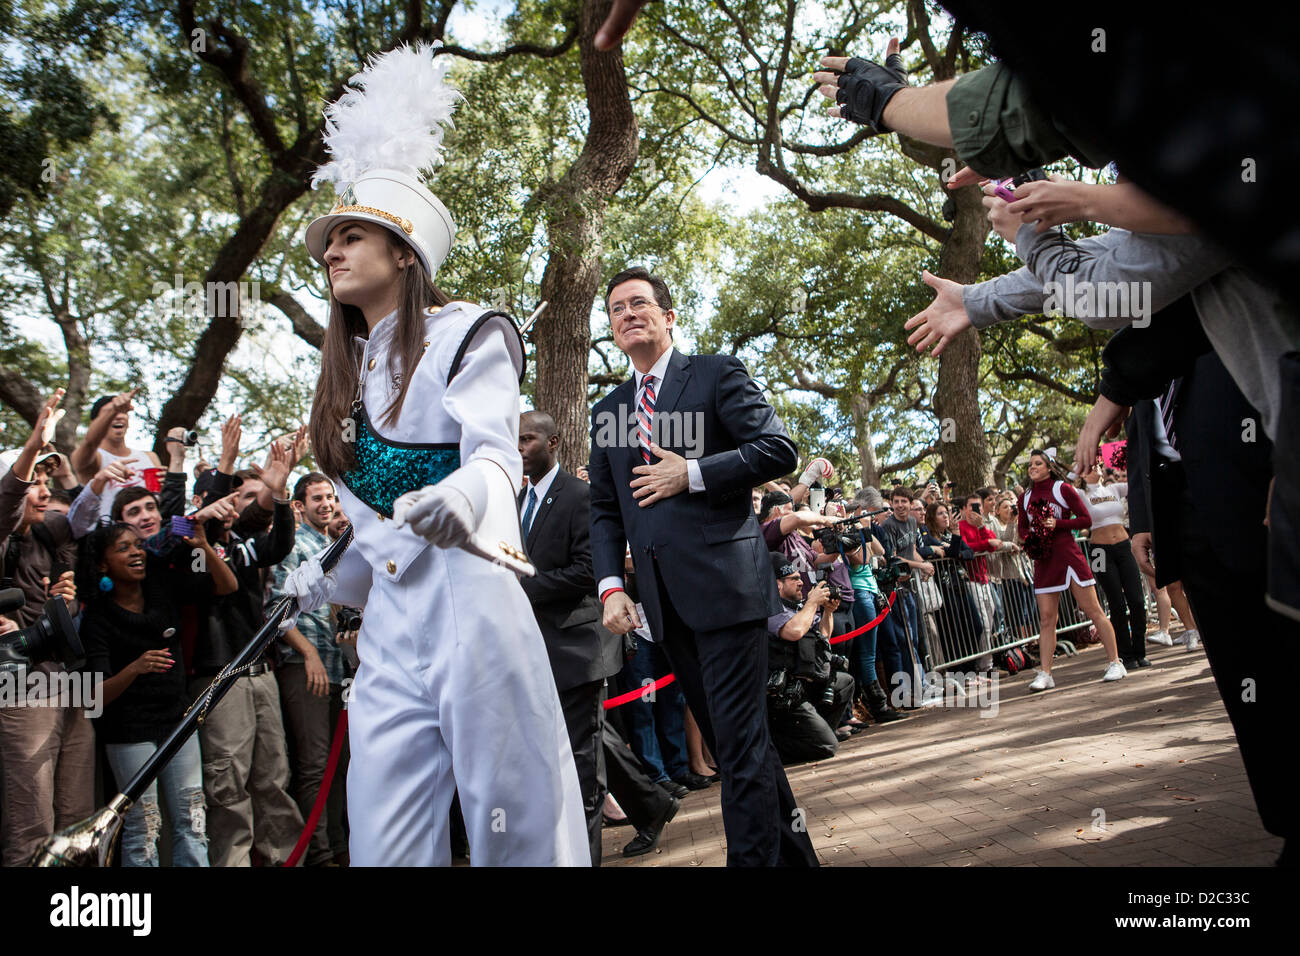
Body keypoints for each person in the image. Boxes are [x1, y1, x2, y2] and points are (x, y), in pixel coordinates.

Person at [279, 43, 586, 866]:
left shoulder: (466, 333)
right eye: (329, 243)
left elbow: (495, 459)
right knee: (384, 829)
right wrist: (322, 578)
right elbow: (365, 537)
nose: (331, 253)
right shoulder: (340, 380)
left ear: (404, 251)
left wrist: (465, 496)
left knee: (515, 816)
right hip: (385, 631)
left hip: (472, 599)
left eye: (349, 237)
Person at [588, 265, 817, 867]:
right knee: (738, 746)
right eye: (616, 309)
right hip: (662, 606)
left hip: (727, 589)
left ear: (668, 316)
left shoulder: (715, 373)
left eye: (640, 303)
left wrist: (689, 473)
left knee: (739, 751)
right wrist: (612, 586)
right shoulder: (609, 409)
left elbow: (776, 449)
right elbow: (605, 511)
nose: (627, 314)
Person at [79, 514, 236, 866]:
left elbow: (226, 587)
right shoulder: (98, 618)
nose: (136, 553)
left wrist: (204, 548)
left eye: (138, 545)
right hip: (129, 733)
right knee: (143, 826)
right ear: (104, 563)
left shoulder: (161, 586)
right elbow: (95, 696)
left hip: (178, 724)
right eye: (124, 548)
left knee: (193, 819)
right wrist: (134, 668)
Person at [516, 410, 625, 865]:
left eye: (527, 440)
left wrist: (521, 586)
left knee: (582, 768)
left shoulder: (581, 496)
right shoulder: (511, 501)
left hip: (576, 653)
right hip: (529, 654)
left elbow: (587, 570)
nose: (519, 448)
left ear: (554, 442)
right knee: (549, 767)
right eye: (514, 440)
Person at [0, 392, 89, 866]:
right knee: (32, 822)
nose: (40, 490)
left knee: (75, 818)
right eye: (32, 480)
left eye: (44, 481)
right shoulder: (4, 531)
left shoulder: (51, 539)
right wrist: (35, 443)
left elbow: (85, 515)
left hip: (71, 682)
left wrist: (66, 607)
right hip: (21, 686)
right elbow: (7, 500)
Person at [268, 471, 350, 867]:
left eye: (330, 497)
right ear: (299, 505)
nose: (327, 504)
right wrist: (309, 655)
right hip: (305, 665)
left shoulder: (334, 544)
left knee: (339, 765)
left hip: (338, 666)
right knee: (315, 765)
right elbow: (277, 607)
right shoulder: (294, 543)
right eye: (317, 498)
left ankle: (338, 848)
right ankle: (317, 855)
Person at [1018, 451, 1126, 691]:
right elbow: (1022, 528)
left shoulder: (1062, 489)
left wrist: (1059, 524)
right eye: (1031, 465)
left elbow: (1085, 519)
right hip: (1044, 561)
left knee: (1093, 610)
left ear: (1049, 467)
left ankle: (1115, 662)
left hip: (1068, 556)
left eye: (1038, 464)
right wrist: (1031, 540)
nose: (1032, 468)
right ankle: (1046, 673)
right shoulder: (1024, 498)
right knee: (1047, 619)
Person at [765, 554, 847, 763]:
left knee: (844, 684)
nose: (801, 581)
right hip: (783, 694)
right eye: (794, 579)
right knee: (827, 746)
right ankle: (771, 750)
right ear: (778, 585)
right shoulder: (770, 609)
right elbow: (794, 631)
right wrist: (812, 603)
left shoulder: (797, 605)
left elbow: (823, 635)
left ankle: (818, 732)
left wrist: (827, 611)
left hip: (805, 683)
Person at [1078, 465, 1149, 669]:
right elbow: (1067, 484)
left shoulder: (1114, 489)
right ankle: (1125, 655)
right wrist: (1079, 464)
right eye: (1089, 466)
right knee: (1116, 602)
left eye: (1097, 464)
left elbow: (1139, 481)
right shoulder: (1081, 493)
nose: (1095, 467)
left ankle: (1139, 650)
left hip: (1124, 547)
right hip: (1099, 551)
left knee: (1136, 600)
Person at [69, 390, 165, 520]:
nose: (118, 416)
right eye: (111, 413)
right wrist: (112, 409)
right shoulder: (92, 458)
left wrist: (166, 485)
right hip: (110, 536)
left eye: (123, 412)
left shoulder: (150, 457)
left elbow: (160, 500)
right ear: (96, 424)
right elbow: (90, 443)